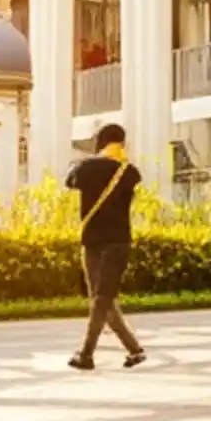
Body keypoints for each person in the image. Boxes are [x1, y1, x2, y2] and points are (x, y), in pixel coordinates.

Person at [64, 124, 147, 371]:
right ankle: (134, 350)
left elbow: (69, 180)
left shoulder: (84, 168)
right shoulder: (128, 171)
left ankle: (87, 354)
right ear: (121, 143)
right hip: (118, 242)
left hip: (91, 242)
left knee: (100, 299)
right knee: (104, 300)